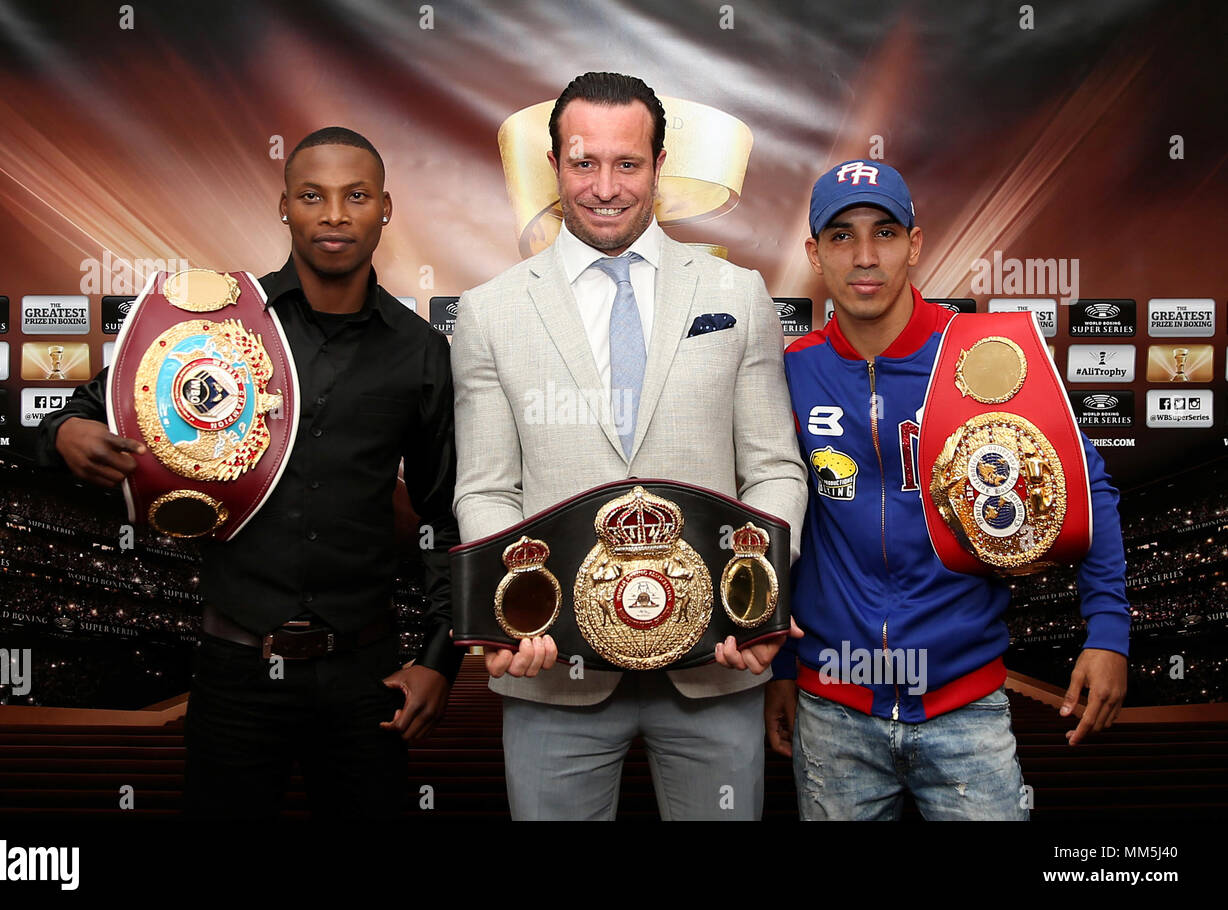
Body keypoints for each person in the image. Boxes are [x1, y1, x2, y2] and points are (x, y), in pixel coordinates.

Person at [37, 127, 462, 819]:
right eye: (311, 196)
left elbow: (449, 517)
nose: (333, 214)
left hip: (367, 676)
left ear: (385, 208)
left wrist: (440, 660)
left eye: (355, 196)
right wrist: (67, 432)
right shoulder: (215, 321)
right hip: (235, 669)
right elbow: (85, 410)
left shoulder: (420, 352)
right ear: (283, 207)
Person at [451, 72, 808, 820]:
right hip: (553, 671)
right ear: (555, 165)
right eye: (585, 163)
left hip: (719, 664)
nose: (605, 187)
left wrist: (758, 595)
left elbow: (774, 470)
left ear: (659, 164)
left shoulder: (737, 295)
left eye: (628, 164)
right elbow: (486, 490)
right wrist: (515, 608)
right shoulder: (488, 315)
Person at [765, 159, 1130, 820]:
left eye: (885, 232)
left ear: (916, 243)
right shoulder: (792, 371)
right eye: (842, 236)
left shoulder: (981, 355)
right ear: (815, 254)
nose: (866, 256)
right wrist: (785, 671)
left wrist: (1107, 631)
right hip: (834, 703)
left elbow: (1087, 486)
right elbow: (785, 525)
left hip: (964, 704)